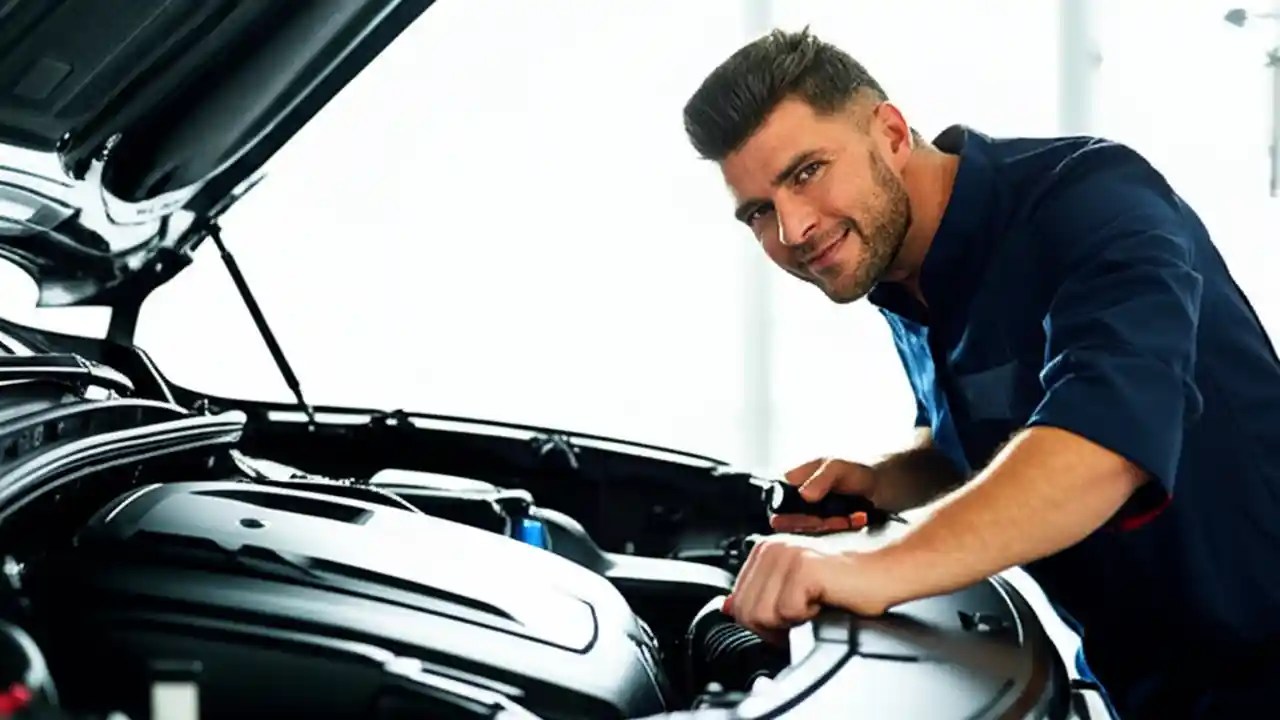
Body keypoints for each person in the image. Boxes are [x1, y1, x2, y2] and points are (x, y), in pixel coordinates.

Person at [682, 27, 1280, 719]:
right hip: (1144, 686)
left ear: (892, 133)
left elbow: (1108, 445)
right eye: (758, 210)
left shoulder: (1094, 201)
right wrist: (884, 478)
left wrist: (874, 567)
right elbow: (981, 436)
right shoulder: (897, 270)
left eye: (806, 172)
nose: (791, 230)